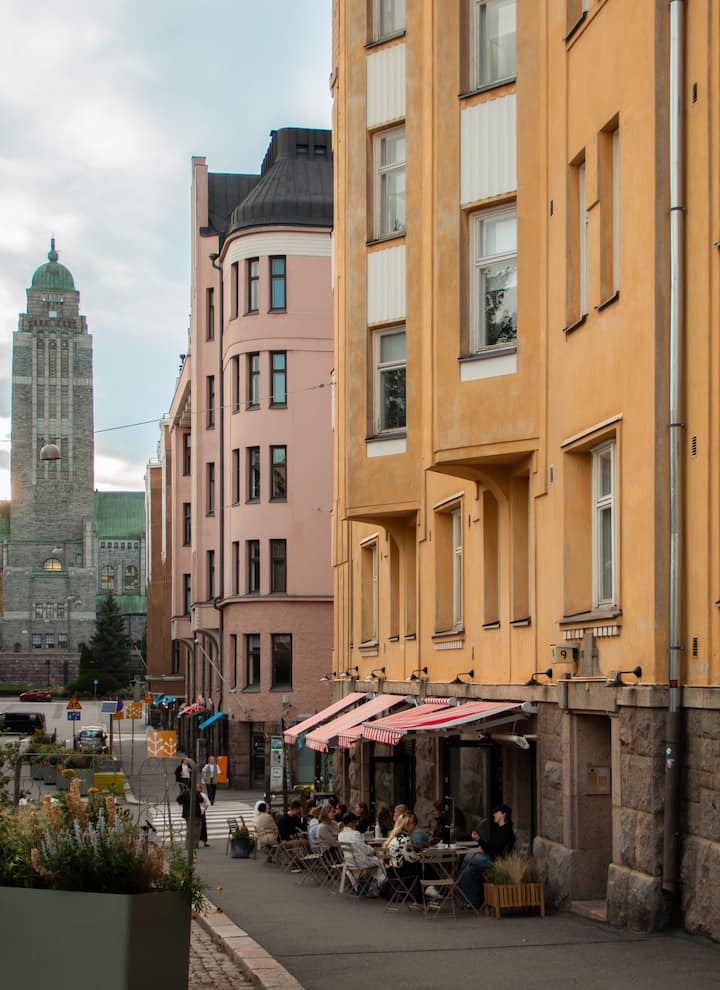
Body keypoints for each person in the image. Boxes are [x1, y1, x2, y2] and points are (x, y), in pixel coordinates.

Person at [458, 803, 516, 908]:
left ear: (503, 814)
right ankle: (474, 901)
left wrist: (480, 842)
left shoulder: (506, 830)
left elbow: (494, 850)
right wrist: (481, 843)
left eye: (496, 812)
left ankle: (456, 883)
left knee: (467, 857)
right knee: (469, 871)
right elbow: (490, 846)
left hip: (496, 862)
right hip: (490, 857)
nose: (494, 814)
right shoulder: (499, 829)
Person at [382, 813, 423, 903]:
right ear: (406, 825)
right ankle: (427, 891)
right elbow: (412, 859)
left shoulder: (395, 838)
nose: (415, 825)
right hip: (400, 870)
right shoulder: (405, 839)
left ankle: (424, 893)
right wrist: (423, 856)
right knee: (425, 867)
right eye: (413, 823)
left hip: (392, 870)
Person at [339, 812, 385, 890]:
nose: (356, 823)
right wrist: (372, 850)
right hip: (360, 862)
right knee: (379, 861)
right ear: (350, 823)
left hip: (349, 862)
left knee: (375, 861)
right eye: (355, 822)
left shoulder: (340, 834)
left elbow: (361, 848)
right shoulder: (355, 834)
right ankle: (379, 886)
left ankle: (369, 886)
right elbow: (364, 850)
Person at [177, 783, 204, 848]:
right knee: (196, 830)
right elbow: (201, 800)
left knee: (189, 830)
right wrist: (198, 792)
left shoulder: (185, 792)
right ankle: (194, 845)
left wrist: (184, 802)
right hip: (196, 814)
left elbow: (179, 800)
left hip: (187, 814)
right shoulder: (195, 792)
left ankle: (188, 845)